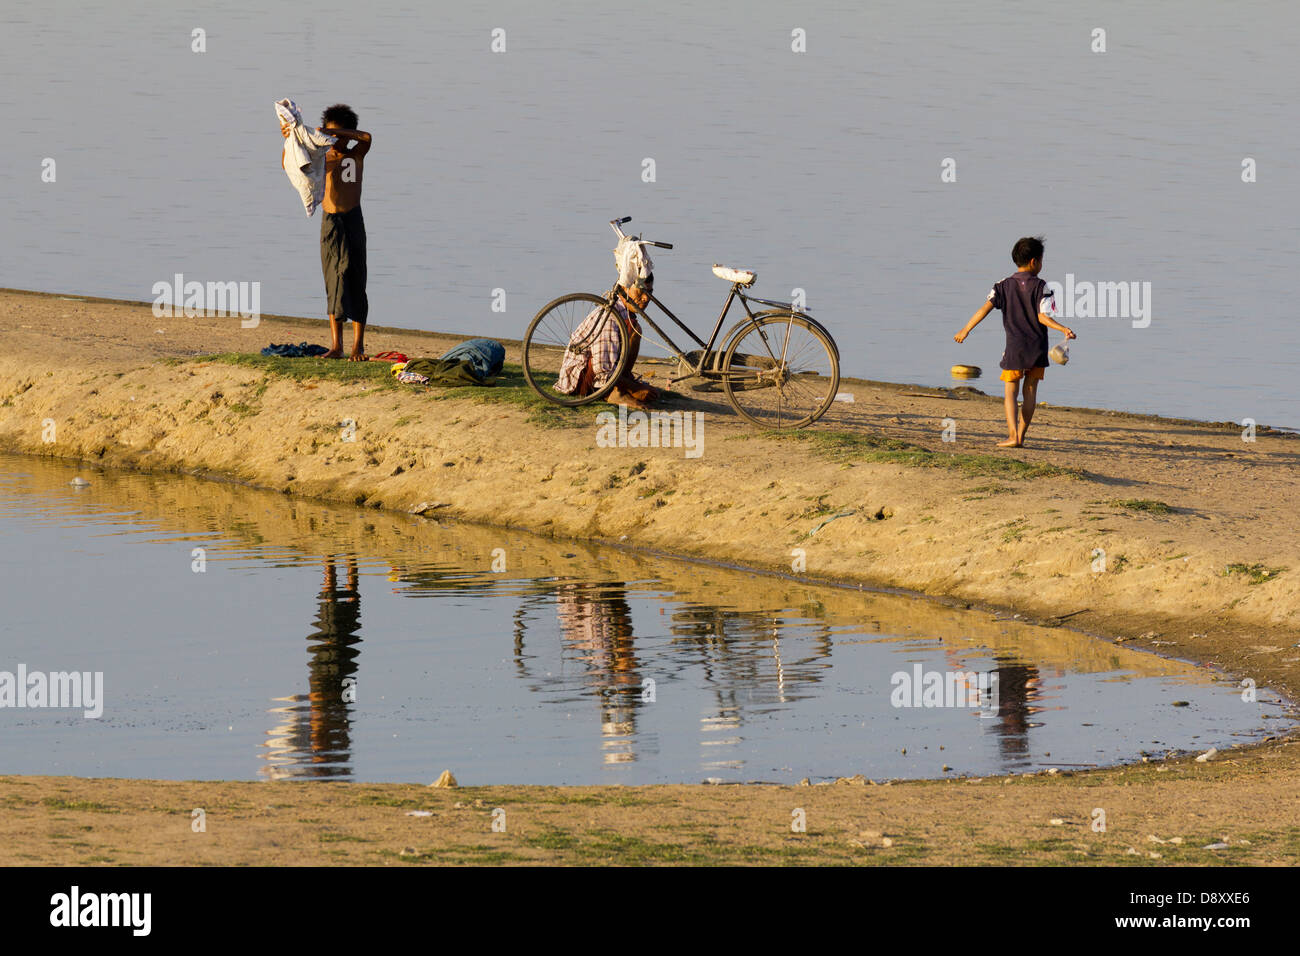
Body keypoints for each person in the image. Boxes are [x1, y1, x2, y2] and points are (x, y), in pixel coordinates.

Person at [954, 236, 1076, 447]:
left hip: (1014, 348)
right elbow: (1042, 317)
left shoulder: (1002, 286)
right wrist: (1063, 328)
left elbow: (985, 308)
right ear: (1034, 262)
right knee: (1030, 391)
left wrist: (966, 329)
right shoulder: (1042, 286)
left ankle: (1012, 436)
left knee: (1011, 391)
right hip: (1037, 347)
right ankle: (1021, 436)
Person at [282, 104, 372, 360]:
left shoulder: (356, 155)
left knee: (355, 277)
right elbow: (290, 162)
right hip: (330, 221)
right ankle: (336, 346)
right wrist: (290, 137)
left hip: (353, 219)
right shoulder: (322, 158)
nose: (334, 141)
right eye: (330, 136)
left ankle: (358, 346)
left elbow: (366, 137)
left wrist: (340, 133)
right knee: (334, 279)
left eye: (339, 136)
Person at [556, 238, 660, 408]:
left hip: (602, 374)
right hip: (581, 380)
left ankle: (621, 385)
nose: (646, 298)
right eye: (640, 292)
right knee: (631, 329)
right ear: (625, 289)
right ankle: (614, 393)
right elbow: (602, 369)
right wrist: (633, 387)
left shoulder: (626, 316)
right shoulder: (611, 319)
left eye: (649, 292)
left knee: (634, 328)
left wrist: (632, 385)